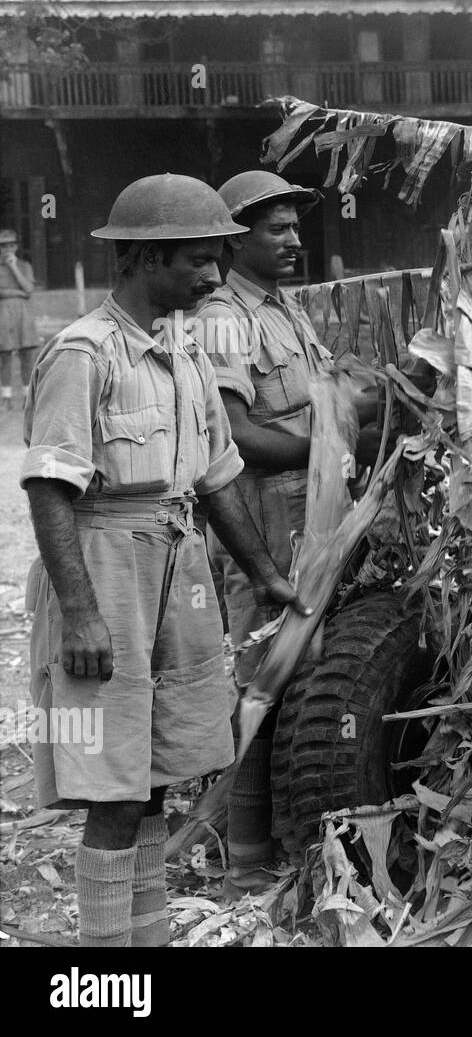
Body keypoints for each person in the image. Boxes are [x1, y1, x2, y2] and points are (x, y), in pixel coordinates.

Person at [21, 174, 309, 946]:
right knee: (114, 786)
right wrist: (80, 610)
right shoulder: (83, 354)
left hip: (176, 567)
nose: (215, 276)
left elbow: (217, 478)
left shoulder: (182, 352)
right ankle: (108, 966)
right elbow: (51, 488)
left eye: (218, 259)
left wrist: (265, 576)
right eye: (198, 261)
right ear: (146, 258)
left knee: (154, 776)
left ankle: (143, 948)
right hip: (106, 565)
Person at [192, 170, 375, 895]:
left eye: (298, 227)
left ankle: (273, 836)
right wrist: (336, 439)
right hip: (261, 527)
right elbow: (233, 434)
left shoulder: (284, 312)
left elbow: (316, 402)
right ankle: (242, 859)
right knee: (259, 682)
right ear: (237, 237)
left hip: (311, 522)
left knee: (302, 668)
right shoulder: (223, 318)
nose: (295, 238)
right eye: (277, 228)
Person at [0, 227, 39, 410]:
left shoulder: (24, 266)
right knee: (5, 355)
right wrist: (19, 292)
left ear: (16, 246)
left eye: (11, 245)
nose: (7, 249)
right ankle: (6, 397)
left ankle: (27, 396)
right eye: (3, 246)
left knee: (26, 355)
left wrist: (13, 267)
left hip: (23, 314)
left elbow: (29, 289)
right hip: (3, 314)